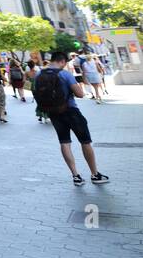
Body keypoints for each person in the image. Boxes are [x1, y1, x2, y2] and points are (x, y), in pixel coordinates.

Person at [35, 52, 109, 187]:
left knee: (64, 142)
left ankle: (76, 176)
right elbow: (80, 94)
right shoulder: (65, 74)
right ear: (62, 61)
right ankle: (95, 174)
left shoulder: (40, 74)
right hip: (71, 111)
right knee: (85, 142)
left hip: (54, 112)